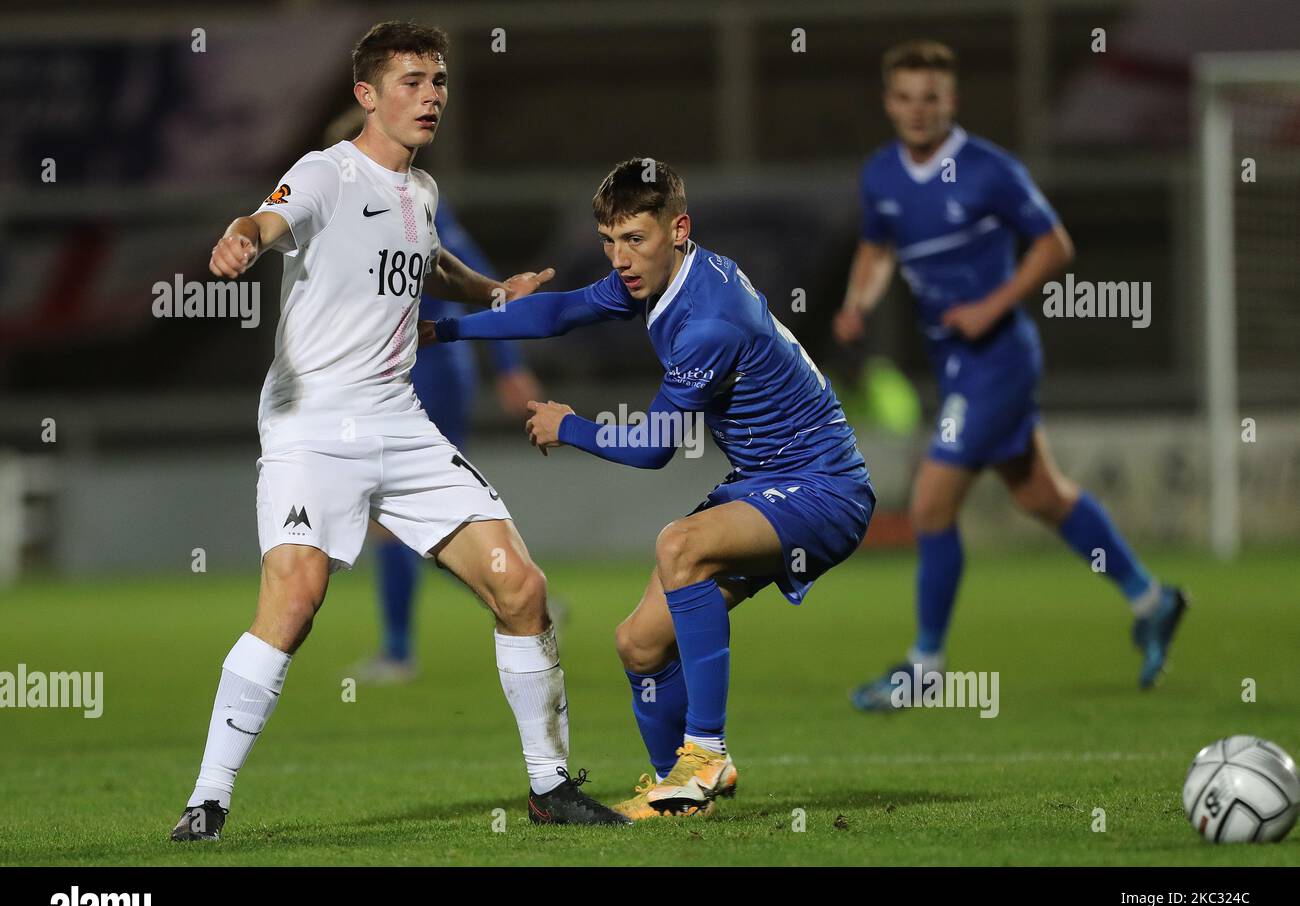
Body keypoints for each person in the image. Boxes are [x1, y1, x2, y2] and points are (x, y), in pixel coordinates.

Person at [170, 20, 627, 842]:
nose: (431, 97)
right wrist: (242, 239)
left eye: (440, 81)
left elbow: (431, 262)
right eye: (412, 81)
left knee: (519, 587)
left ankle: (550, 788)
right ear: (367, 95)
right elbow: (267, 220)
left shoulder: (422, 192)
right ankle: (207, 799)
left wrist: (495, 292)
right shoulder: (325, 173)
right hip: (311, 426)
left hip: (401, 423)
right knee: (296, 600)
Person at [426, 158, 875, 818]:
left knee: (680, 545)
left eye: (634, 239)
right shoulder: (661, 279)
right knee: (639, 642)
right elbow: (562, 312)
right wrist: (445, 329)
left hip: (822, 488)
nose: (620, 259)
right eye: (609, 241)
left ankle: (707, 755)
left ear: (678, 229)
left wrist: (568, 425)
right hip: (766, 483)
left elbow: (654, 448)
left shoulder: (709, 322)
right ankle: (680, 792)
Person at [831, 40, 1186, 711]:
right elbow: (876, 250)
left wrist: (991, 304)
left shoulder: (987, 169)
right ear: (888, 103)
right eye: (904, 97)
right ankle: (1153, 599)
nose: (916, 110)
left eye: (929, 98)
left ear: (951, 102)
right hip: (953, 360)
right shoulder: (881, 175)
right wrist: (857, 303)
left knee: (932, 502)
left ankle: (925, 668)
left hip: (997, 358)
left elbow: (1056, 243)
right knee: (1043, 496)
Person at [358, 199, 542, 685]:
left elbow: (485, 285)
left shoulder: (414, 207)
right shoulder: (361, 206)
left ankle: (400, 651)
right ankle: (513, 585)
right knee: (410, 513)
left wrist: (510, 367)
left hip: (428, 373)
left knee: (392, 513)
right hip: (404, 374)